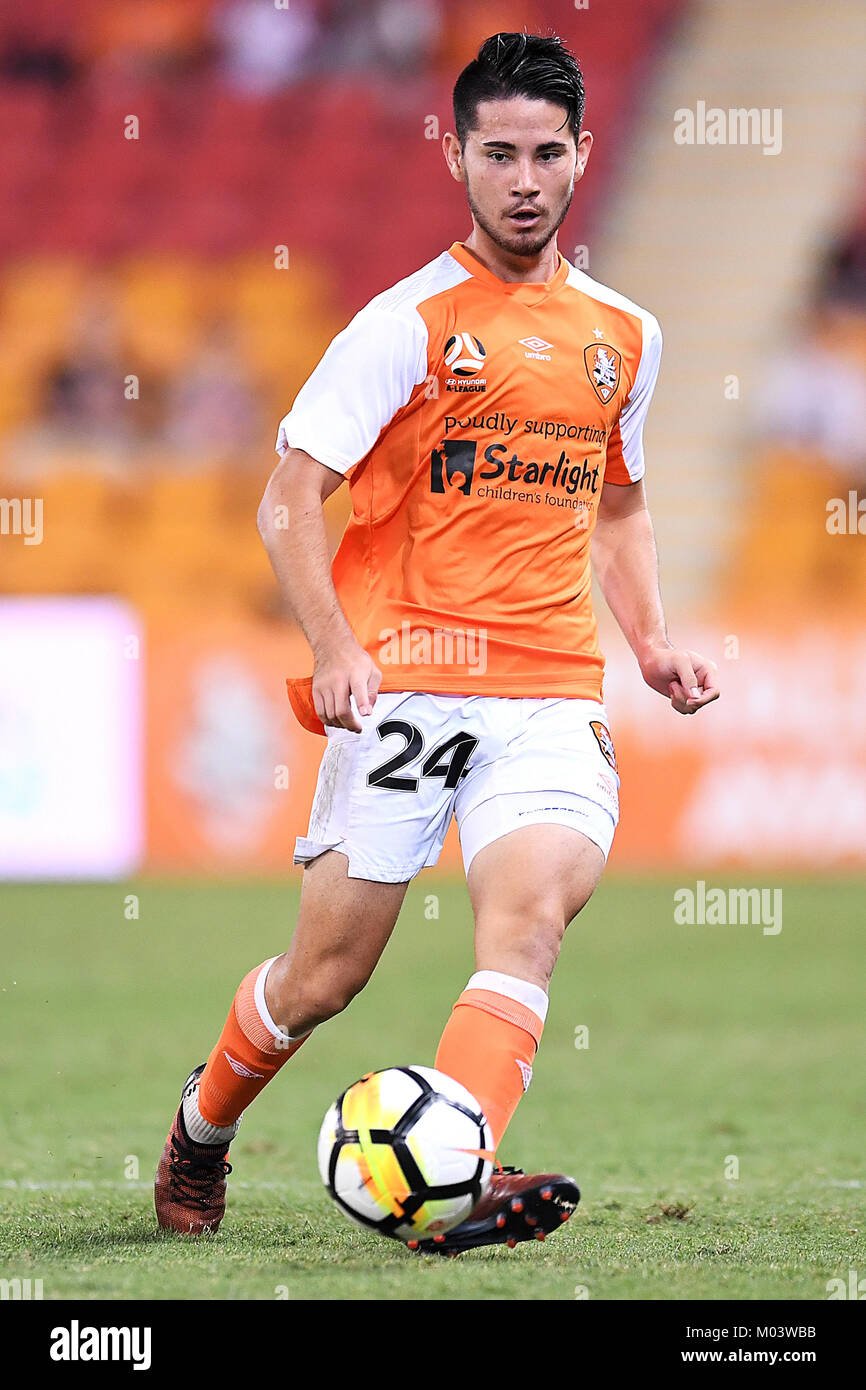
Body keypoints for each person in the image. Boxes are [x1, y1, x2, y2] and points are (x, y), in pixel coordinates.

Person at [155, 30, 719, 1255]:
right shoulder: (399, 325)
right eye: (498, 153)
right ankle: (201, 1128)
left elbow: (615, 500)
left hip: (549, 685)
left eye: (547, 153)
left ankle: (450, 1180)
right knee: (324, 978)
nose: (524, 177)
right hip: (405, 685)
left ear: (581, 156)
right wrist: (335, 642)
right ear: (455, 157)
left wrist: (653, 638)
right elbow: (286, 497)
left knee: (529, 920)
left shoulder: (626, 334)